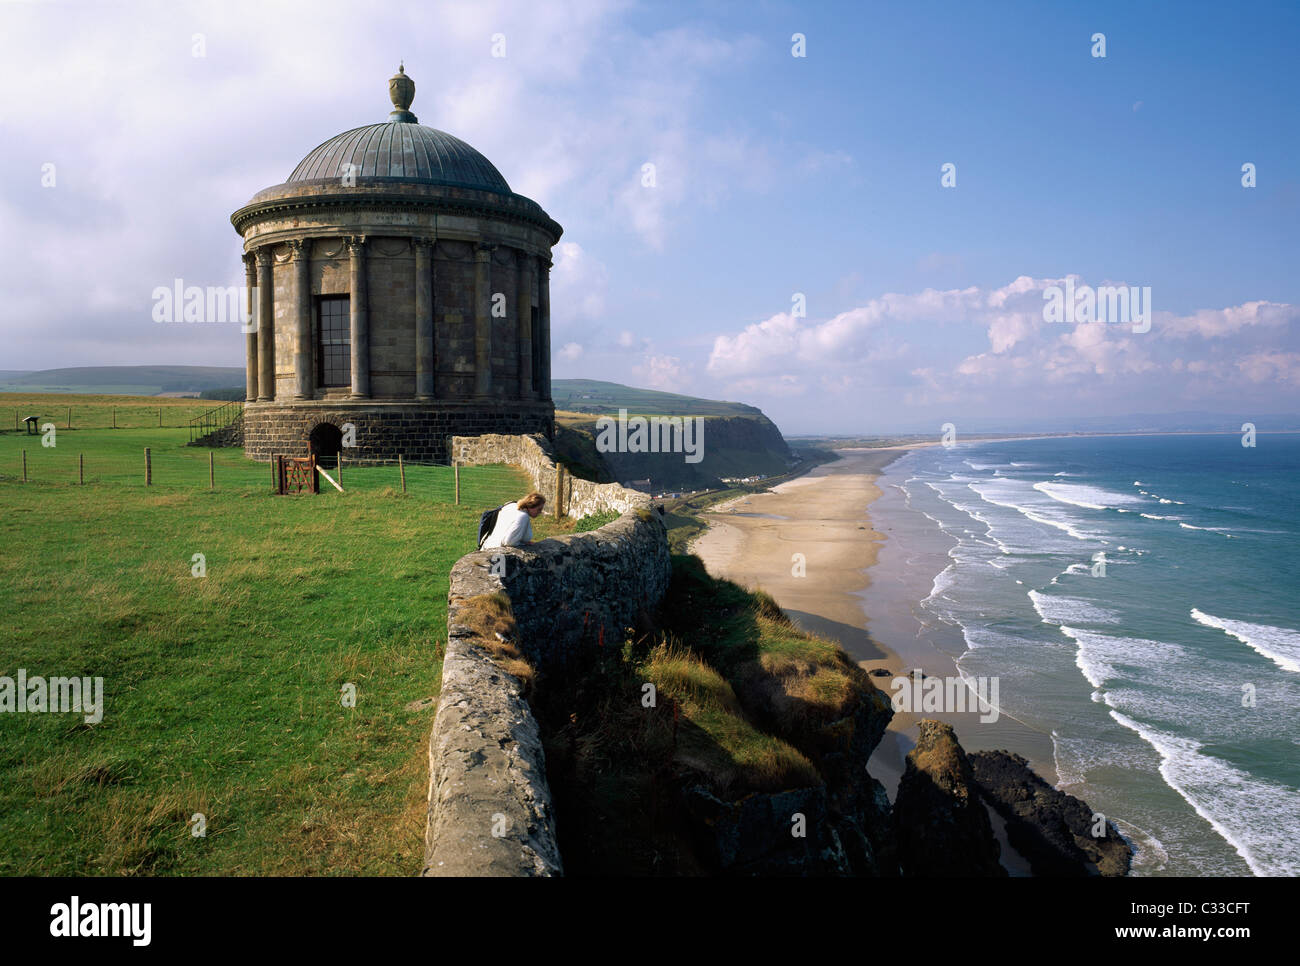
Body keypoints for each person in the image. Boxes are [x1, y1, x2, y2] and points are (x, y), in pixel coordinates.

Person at [480, 492, 546, 549]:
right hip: (496, 553)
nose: (540, 512)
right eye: (539, 509)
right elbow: (509, 542)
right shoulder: (523, 516)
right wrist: (523, 544)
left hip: (488, 544)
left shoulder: (511, 504)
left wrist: (523, 541)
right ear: (531, 506)